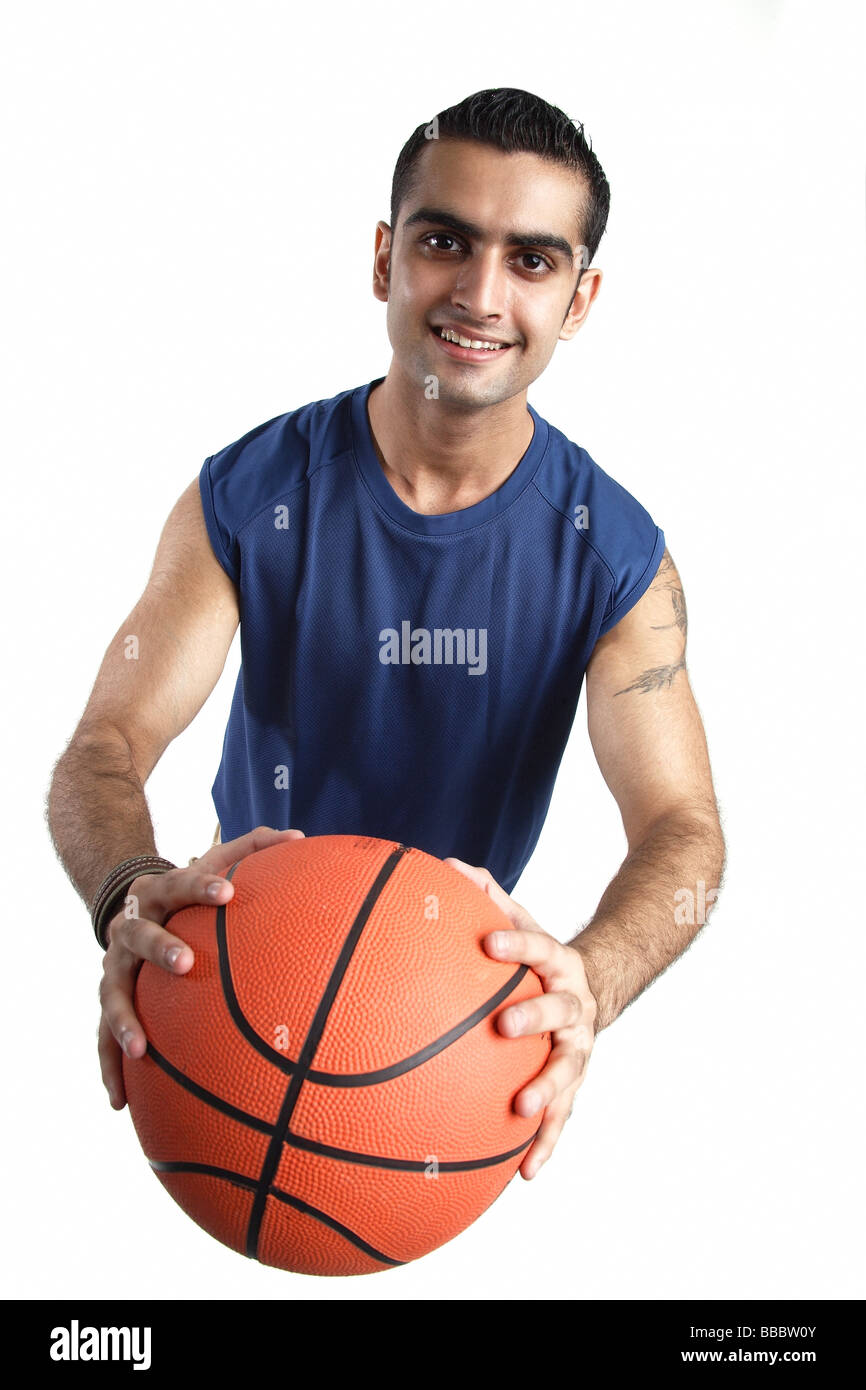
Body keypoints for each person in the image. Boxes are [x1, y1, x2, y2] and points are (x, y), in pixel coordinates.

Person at [47, 87, 725, 1184]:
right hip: (236, 960)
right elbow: (103, 748)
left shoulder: (615, 557)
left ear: (580, 298)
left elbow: (683, 826)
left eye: (532, 260)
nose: (478, 293)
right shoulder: (250, 495)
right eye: (445, 241)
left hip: (447, 1014)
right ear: (383, 258)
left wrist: (585, 980)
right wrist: (130, 889)